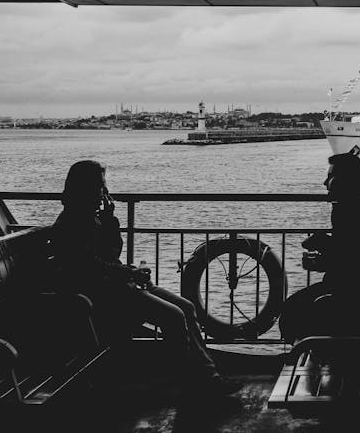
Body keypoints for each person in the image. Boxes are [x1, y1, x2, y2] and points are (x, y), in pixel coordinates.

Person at [50, 160, 240, 398]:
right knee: (174, 316)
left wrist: (110, 219)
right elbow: (88, 267)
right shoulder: (73, 221)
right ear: (86, 187)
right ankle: (193, 380)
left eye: (104, 185)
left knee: (187, 308)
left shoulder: (92, 217)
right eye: (100, 185)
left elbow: (112, 254)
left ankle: (207, 376)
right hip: (104, 294)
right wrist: (128, 273)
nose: (104, 191)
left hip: (119, 285)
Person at [277, 151, 360, 342]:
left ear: (345, 179)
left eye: (330, 176)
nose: (325, 183)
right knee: (294, 307)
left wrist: (321, 246)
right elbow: (355, 252)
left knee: (292, 312)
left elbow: (350, 261)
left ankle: (304, 355)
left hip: (356, 297)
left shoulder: (350, 208)